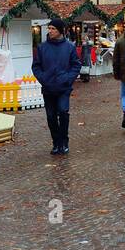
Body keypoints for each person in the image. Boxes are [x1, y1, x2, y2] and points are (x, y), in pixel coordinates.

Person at [32, 18, 82, 155]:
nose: (50, 31)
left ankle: (64, 141)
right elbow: (36, 66)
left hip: (63, 87)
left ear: (60, 30)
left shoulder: (69, 47)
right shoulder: (42, 47)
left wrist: (68, 78)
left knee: (63, 112)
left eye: (53, 28)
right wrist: (43, 78)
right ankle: (56, 142)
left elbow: (76, 65)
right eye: (49, 28)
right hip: (48, 88)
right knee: (51, 116)